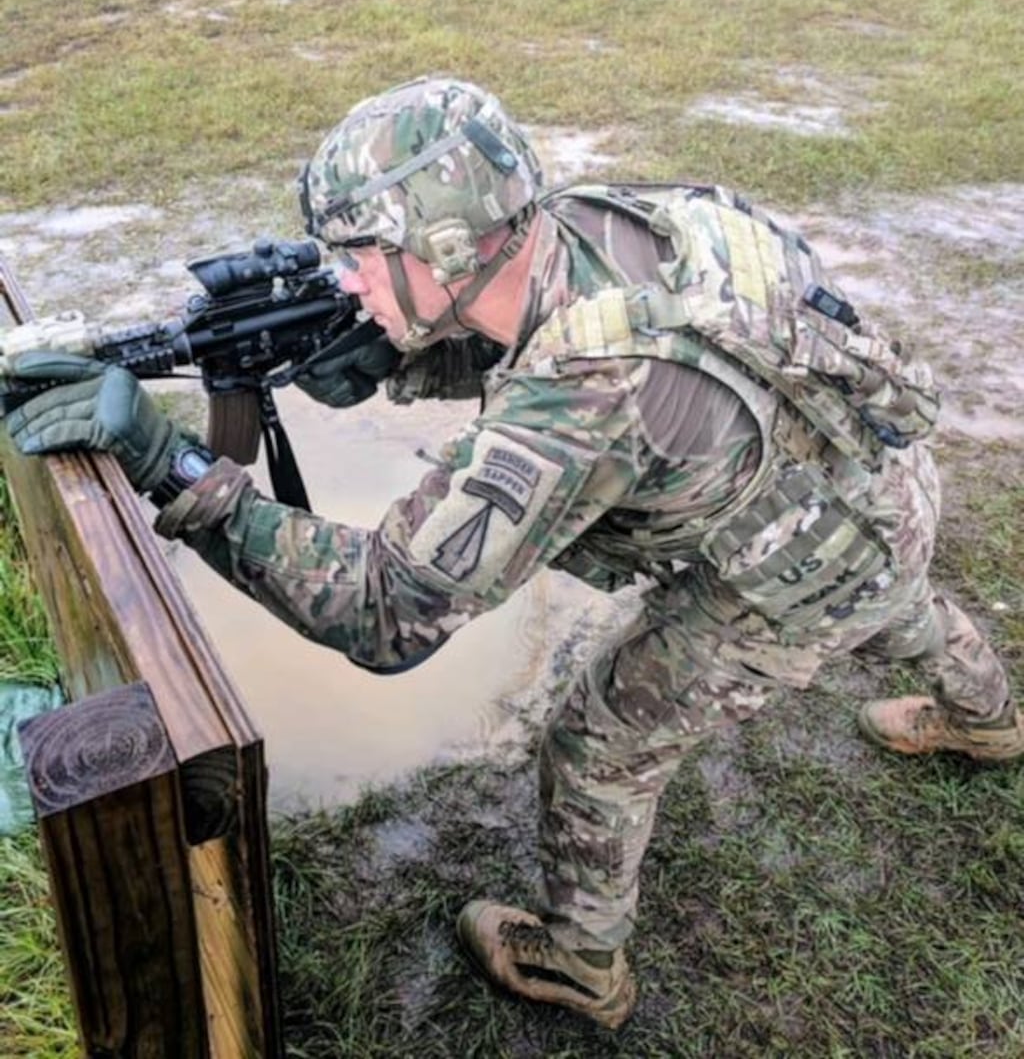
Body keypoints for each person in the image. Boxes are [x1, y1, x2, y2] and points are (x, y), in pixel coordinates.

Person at [4, 76, 1021, 1030]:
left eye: (360, 255)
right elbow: (545, 328)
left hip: (795, 562)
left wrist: (169, 461)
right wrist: (412, 354)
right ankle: (991, 722)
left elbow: (387, 612)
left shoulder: (582, 394)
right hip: (877, 481)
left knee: (599, 743)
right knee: (902, 602)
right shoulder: (580, 221)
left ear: (446, 247)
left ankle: (582, 967)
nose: (343, 281)